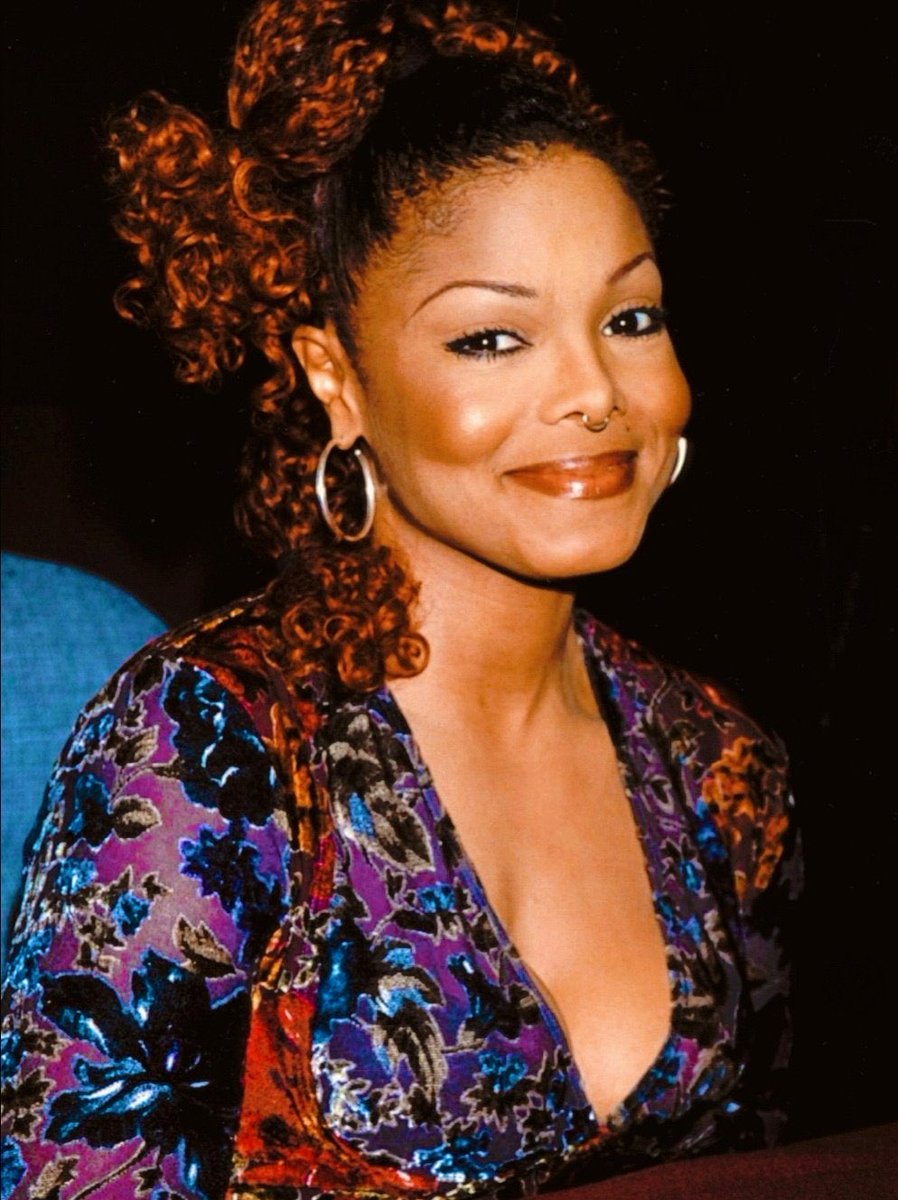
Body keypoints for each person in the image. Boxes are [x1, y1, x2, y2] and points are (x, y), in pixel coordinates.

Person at [0, 2, 801, 1197]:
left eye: (629, 318)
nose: (596, 391)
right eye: (491, 339)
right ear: (337, 377)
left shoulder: (722, 769)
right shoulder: (202, 750)